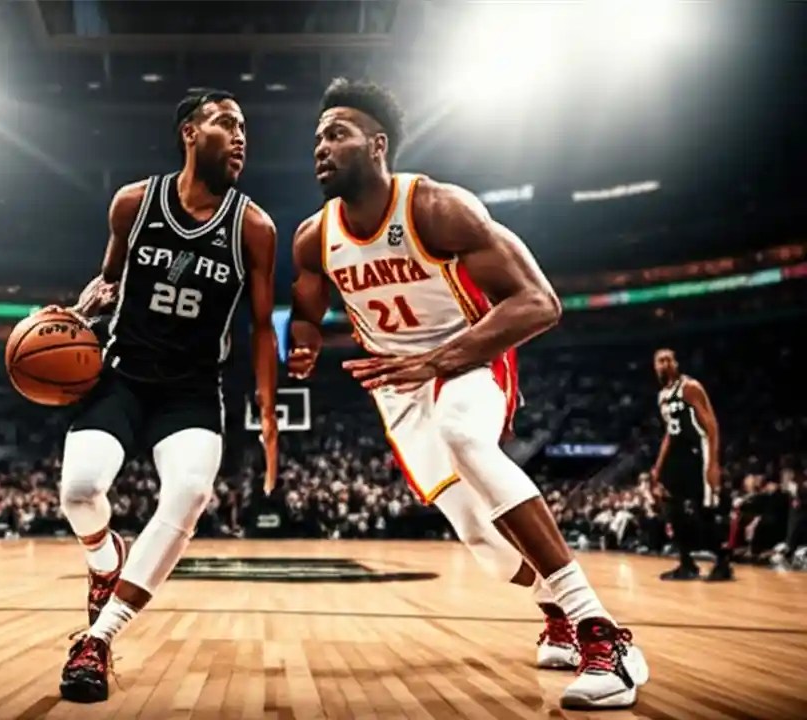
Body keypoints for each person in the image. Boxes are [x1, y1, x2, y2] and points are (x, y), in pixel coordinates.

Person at [286, 78, 648, 710]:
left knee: (462, 435)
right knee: (481, 544)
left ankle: (603, 636)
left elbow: (540, 302)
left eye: (337, 133)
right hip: (399, 386)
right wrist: (308, 342)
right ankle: (555, 615)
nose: (321, 145)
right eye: (318, 136)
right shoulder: (313, 236)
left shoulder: (435, 208)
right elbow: (309, 305)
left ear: (377, 145)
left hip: (470, 358)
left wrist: (442, 358)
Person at [48, 87, 280, 704]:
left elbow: (262, 327)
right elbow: (109, 282)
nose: (239, 137)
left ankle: (96, 641)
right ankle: (105, 560)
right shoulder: (133, 203)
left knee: (191, 492)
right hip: (121, 374)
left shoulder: (253, 227)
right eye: (225, 123)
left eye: (244, 129)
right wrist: (76, 312)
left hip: (192, 392)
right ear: (188, 132)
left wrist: (269, 417)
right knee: (78, 492)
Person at [650, 348, 731, 581]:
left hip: (700, 448)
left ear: (675, 363)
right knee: (671, 508)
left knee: (704, 509)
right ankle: (686, 563)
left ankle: (723, 560)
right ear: (655, 366)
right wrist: (658, 466)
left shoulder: (690, 388)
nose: (664, 364)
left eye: (668, 360)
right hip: (680, 453)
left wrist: (713, 463)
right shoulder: (663, 395)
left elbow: (712, 425)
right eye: (659, 361)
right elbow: (669, 432)